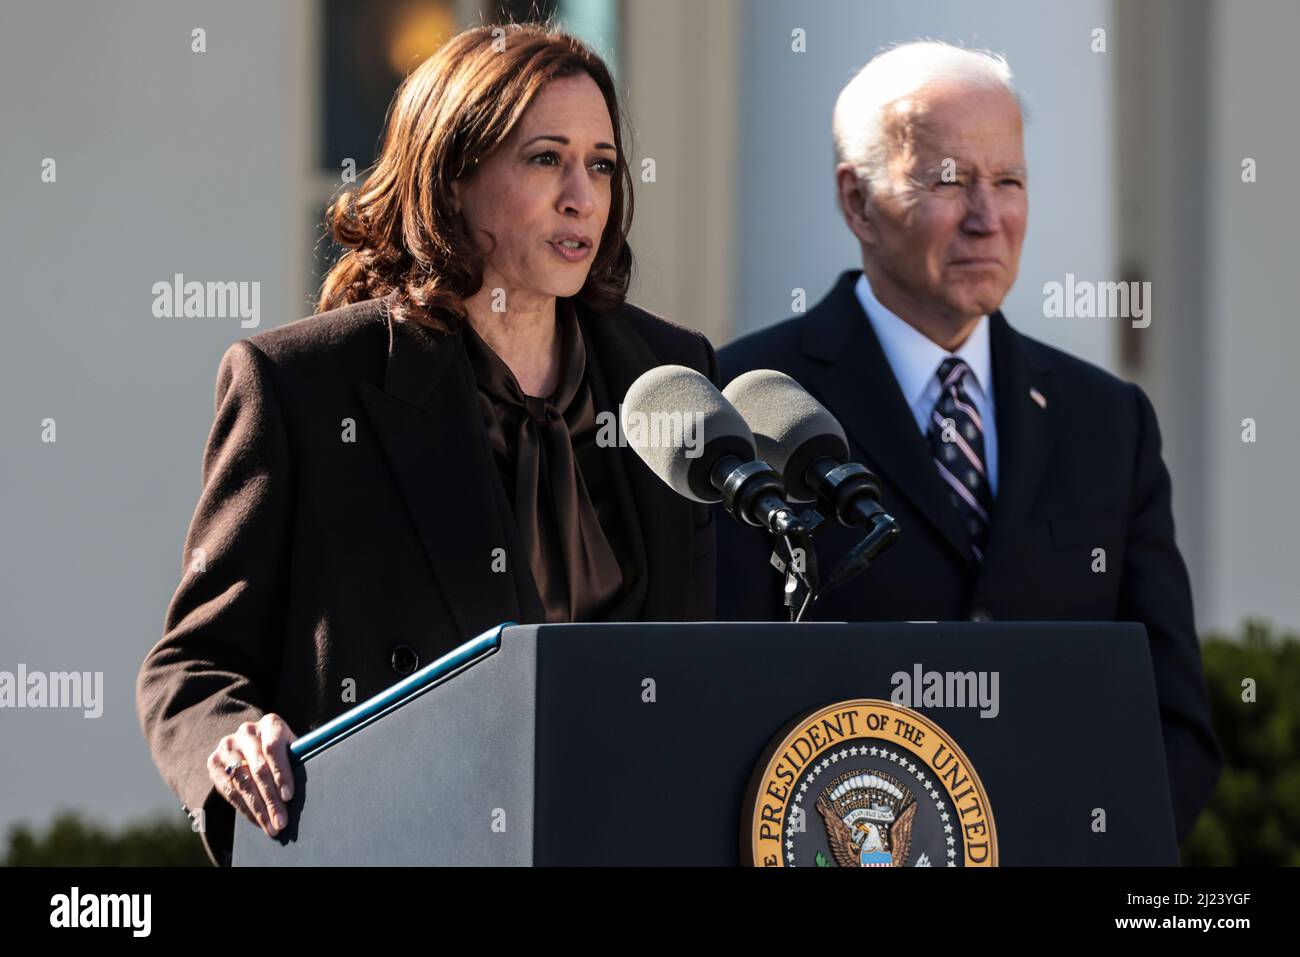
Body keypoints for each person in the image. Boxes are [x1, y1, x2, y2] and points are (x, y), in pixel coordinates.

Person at [136, 23, 719, 867]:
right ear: (452, 176)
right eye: (545, 158)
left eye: (601, 164)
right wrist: (234, 741)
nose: (581, 197)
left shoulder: (670, 371)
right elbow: (191, 665)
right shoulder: (301, 385)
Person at [714, 41, 1220, 844]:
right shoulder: (749, 401)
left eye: (1009, 181)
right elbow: (709, 696)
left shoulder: (1106, 420)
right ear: (858, 201)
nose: (988, 217)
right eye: (950, 181)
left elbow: (1173, 718)